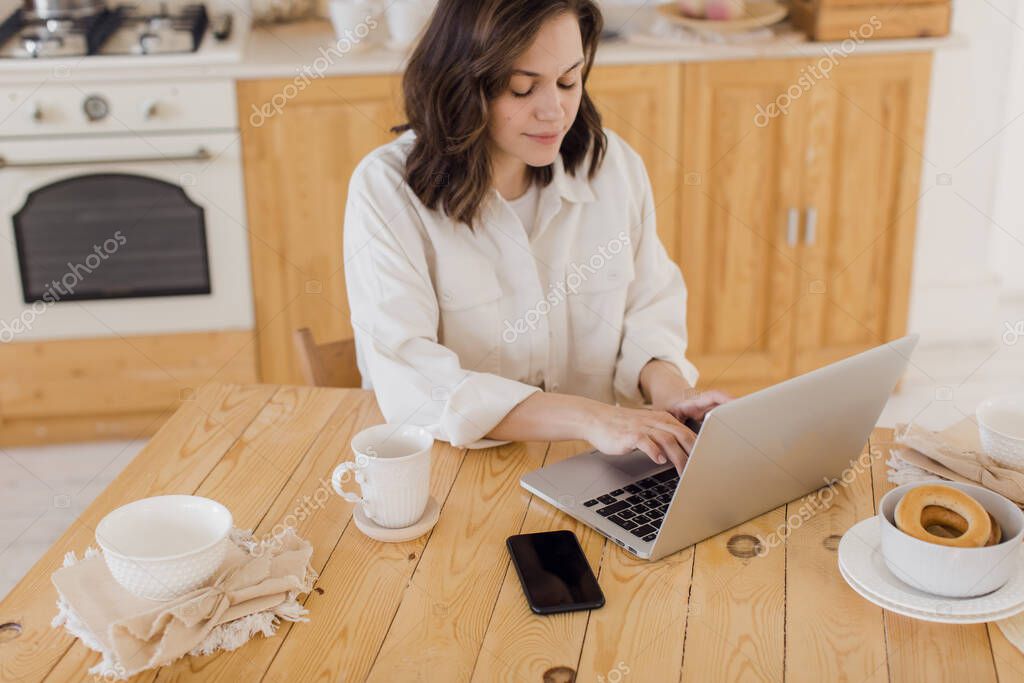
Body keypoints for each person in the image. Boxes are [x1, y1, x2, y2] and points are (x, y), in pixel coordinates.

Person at [343, 0, 731, 473]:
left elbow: (649, 305)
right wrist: (592, 418)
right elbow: (413, 383)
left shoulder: (612, 168)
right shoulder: (387, 191)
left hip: (601, 469)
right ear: (463, 85)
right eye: (523, 89)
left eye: (569, 81)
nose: (555, 111)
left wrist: (672, 391)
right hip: (458, 472)